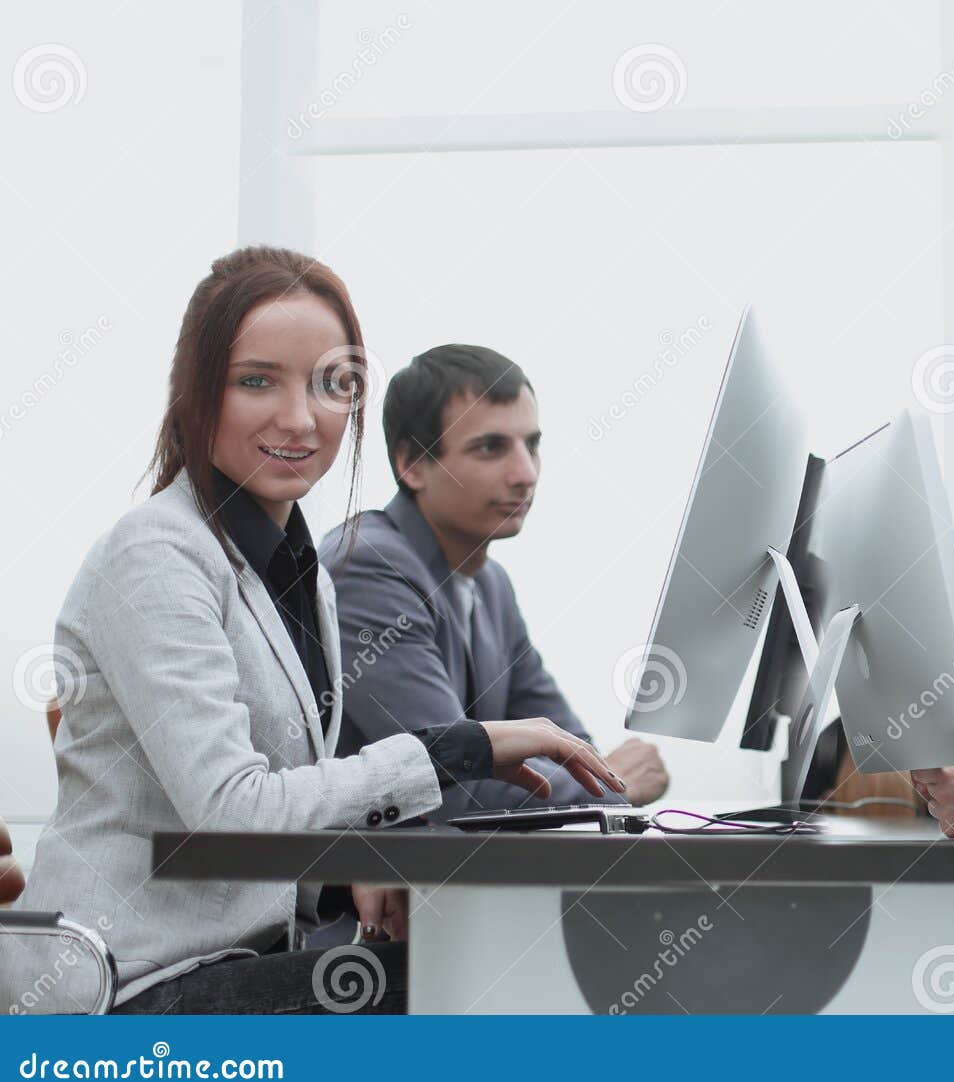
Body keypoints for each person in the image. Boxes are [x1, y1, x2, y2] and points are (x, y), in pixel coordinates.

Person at [3, 246, 623, 1014]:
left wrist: (342, 869)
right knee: (491, 982)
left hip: (231, 962)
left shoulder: (299, 572)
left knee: (493, 963)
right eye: (257, 380)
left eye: (332, 384)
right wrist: (462, 746)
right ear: (197, 394)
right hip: (132, 986)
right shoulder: (155, 555)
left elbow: (263, 820)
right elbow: (233, 812)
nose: (300, 418)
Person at [320, 344, 668, 822]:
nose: (526, 474)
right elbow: (451, 786)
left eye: (532, 444)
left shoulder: (491, 585)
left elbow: (571, 748)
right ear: (412, 463)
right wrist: (618, 787)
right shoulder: (367, 568)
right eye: (491, 448)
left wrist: (599, 777)